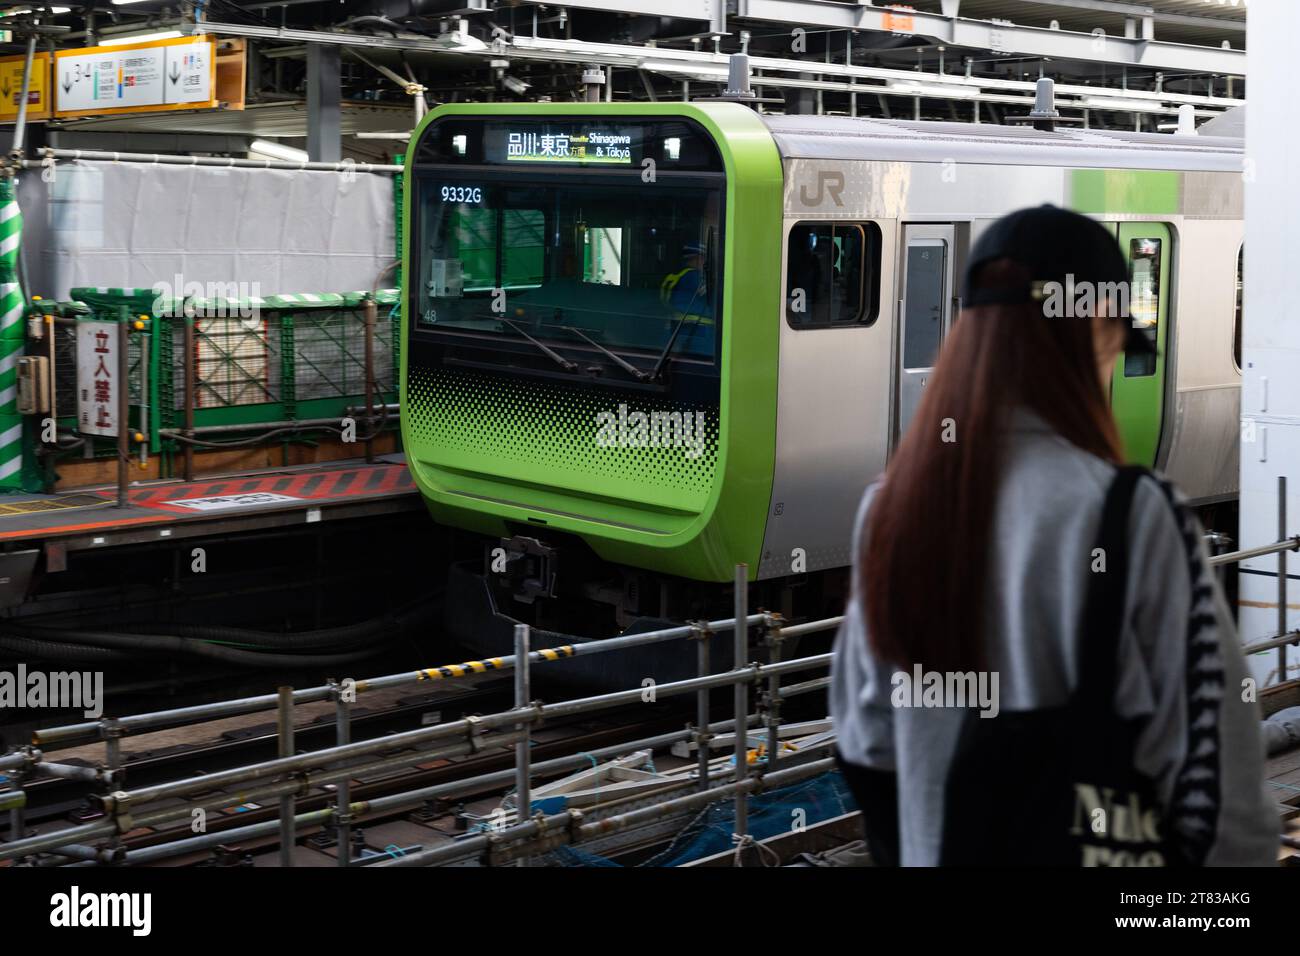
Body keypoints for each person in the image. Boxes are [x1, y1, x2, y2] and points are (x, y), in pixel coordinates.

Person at [830, 206, 1278, 867]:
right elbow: (1223, 801)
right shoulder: (1134, 516)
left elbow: (866, 748)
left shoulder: (889, 511)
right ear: (1097, 327)